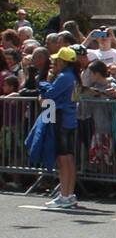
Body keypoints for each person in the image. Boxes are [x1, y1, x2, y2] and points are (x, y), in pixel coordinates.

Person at [40, 46, 81, 208]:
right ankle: (68, 194)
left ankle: (65, 195)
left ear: (62, 61)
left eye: (57, 60)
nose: (54, 62)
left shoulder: (64, 76)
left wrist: (44, 84)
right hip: (69, 120)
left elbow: (49, 95)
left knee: (63, 160)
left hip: (62, 120)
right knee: (68, 159)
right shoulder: (73, 76)